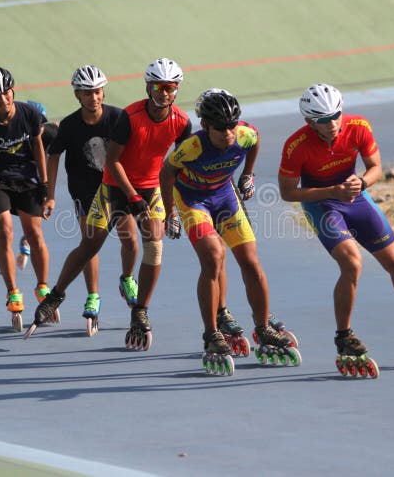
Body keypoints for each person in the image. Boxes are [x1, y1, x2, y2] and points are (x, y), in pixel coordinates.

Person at [278, 83, 394, 379]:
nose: (332, 124)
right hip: (323, 205)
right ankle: (344, 336)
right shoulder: (296, 145)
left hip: (356, 197)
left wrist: (363, 183)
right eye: (323, 120)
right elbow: (288, 193)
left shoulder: (358, 126)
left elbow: (375, 166)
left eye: (335, 115)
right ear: (308, 121)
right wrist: (333, 190)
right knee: (352, 263)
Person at [25, 57, 192, 350]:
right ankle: (56, 294)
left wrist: (174, 207)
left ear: (176, 89)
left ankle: (140, 310)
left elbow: (180, 166)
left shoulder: (182, 122)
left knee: (153, 243)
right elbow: (112, 162)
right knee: (91, 245)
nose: (164, 93)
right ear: (148, 87)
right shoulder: (129, 117)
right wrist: (132, 196)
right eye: (158, 87)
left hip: (151, 188)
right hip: (113, 187)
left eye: (170, 87)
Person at [160, 89, 301, 375]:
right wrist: (170, 213)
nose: (228, 133)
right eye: (221, 128)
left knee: (250, 260)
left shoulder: (246, 134)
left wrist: (247, 174)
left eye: (232, 125)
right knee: (213, 255)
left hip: (224, 194)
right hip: (192, 200)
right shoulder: (192, 147)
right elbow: (166, 172)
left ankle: (262, 329)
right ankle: (212, 333)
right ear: (206, 127)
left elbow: (255, 142)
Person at [45, 65, 139, 336]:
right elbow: (54, 155)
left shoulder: (119, 118)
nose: (93, 97)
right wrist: (50, 195)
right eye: (87, 93)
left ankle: (127, 278)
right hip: (85, 190)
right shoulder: (70, 125)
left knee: (130, 238)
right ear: (77, 95)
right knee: (90, 244)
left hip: (115, 186)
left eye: (97, 92)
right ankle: (93, 295)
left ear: (103, 92)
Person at [0, 66, 52, 332]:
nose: (3, 100)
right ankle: (13, 292)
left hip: (26, 178)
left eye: (6, 93)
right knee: (4, 231)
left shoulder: (29, 113)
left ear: (12, 91)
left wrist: (46, 185)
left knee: (34, 233)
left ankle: (42, 287)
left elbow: (39, 147)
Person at [0, 100, 58, 274]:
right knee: (5, 221)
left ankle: (3, 244)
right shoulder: (43, 130)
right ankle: (15, 243)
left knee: (18, 225)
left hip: (30, 184)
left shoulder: (43, 131)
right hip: (17, 182)